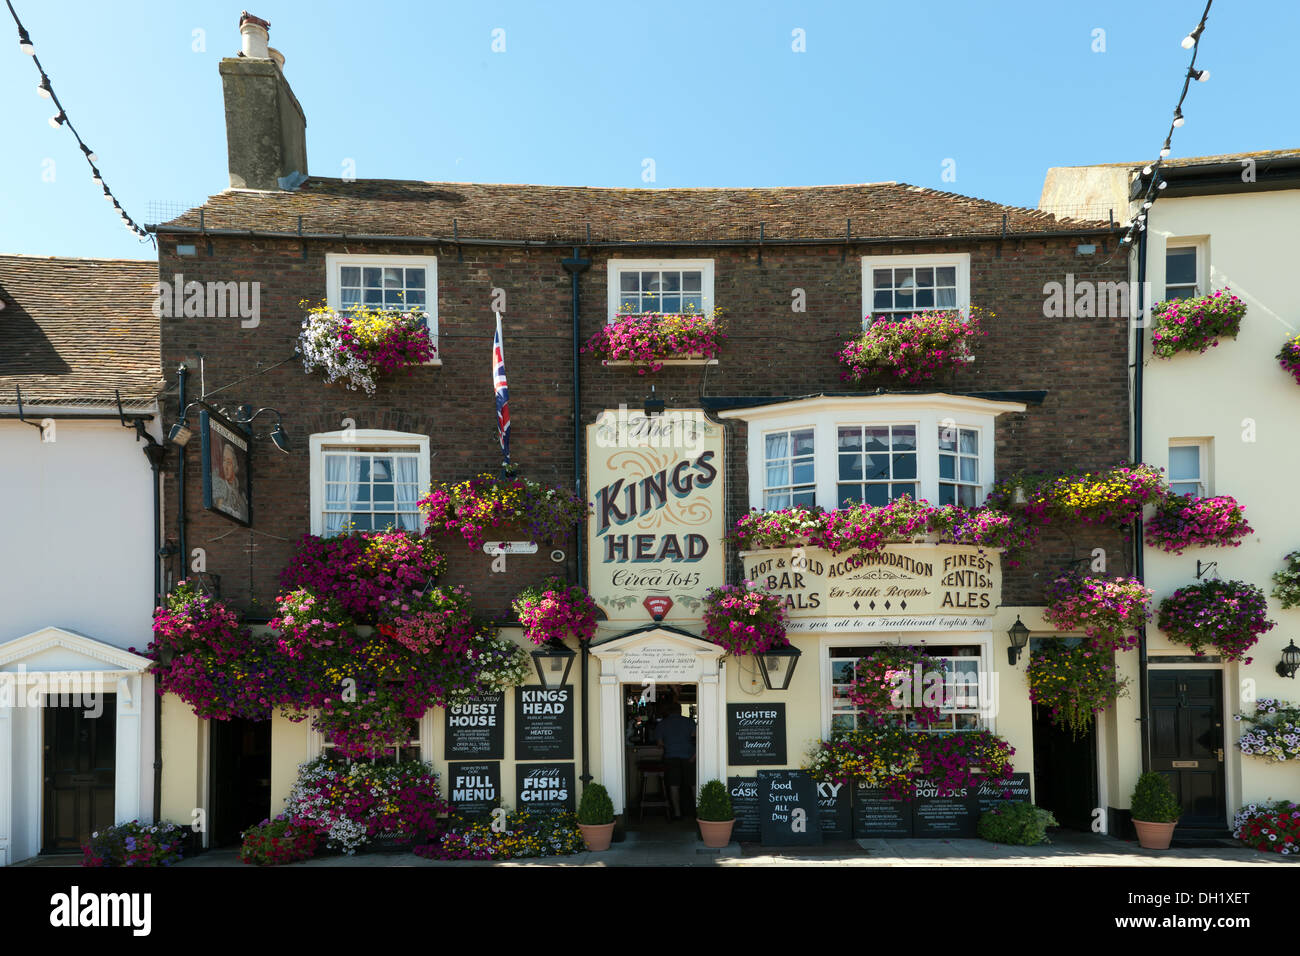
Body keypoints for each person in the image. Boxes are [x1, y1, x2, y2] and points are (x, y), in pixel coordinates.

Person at [652, 699, 695, 820]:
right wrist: (695, 755)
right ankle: (698, 811)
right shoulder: (689, 722)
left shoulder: (662, 724)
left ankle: (677, 813)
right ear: (680, 710)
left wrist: (669, 743)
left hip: (671, 757)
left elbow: (660, 744)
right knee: (693, 784)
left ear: (667, 711)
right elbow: (697, 740)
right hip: (689, 757)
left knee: (674, 785)